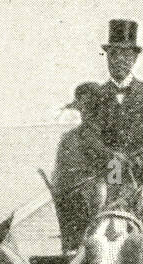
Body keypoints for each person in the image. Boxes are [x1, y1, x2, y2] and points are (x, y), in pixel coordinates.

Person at [89, 19, 143, 192]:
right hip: (107, 177)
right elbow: (88, 137)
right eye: (114, 54)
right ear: (107, 57)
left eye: (125, 55)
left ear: (134, 58)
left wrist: (139, 161)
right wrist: (110, 158)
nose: (119, 60)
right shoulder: (95, 97)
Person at [51, 82, 105, 250]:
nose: (87, 114)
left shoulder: (110, 137)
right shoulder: (69, 138)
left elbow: (115, 173)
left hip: (100, 197)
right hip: (76, 200)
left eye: (92, 109)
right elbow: (59, 175)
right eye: (84, 109)